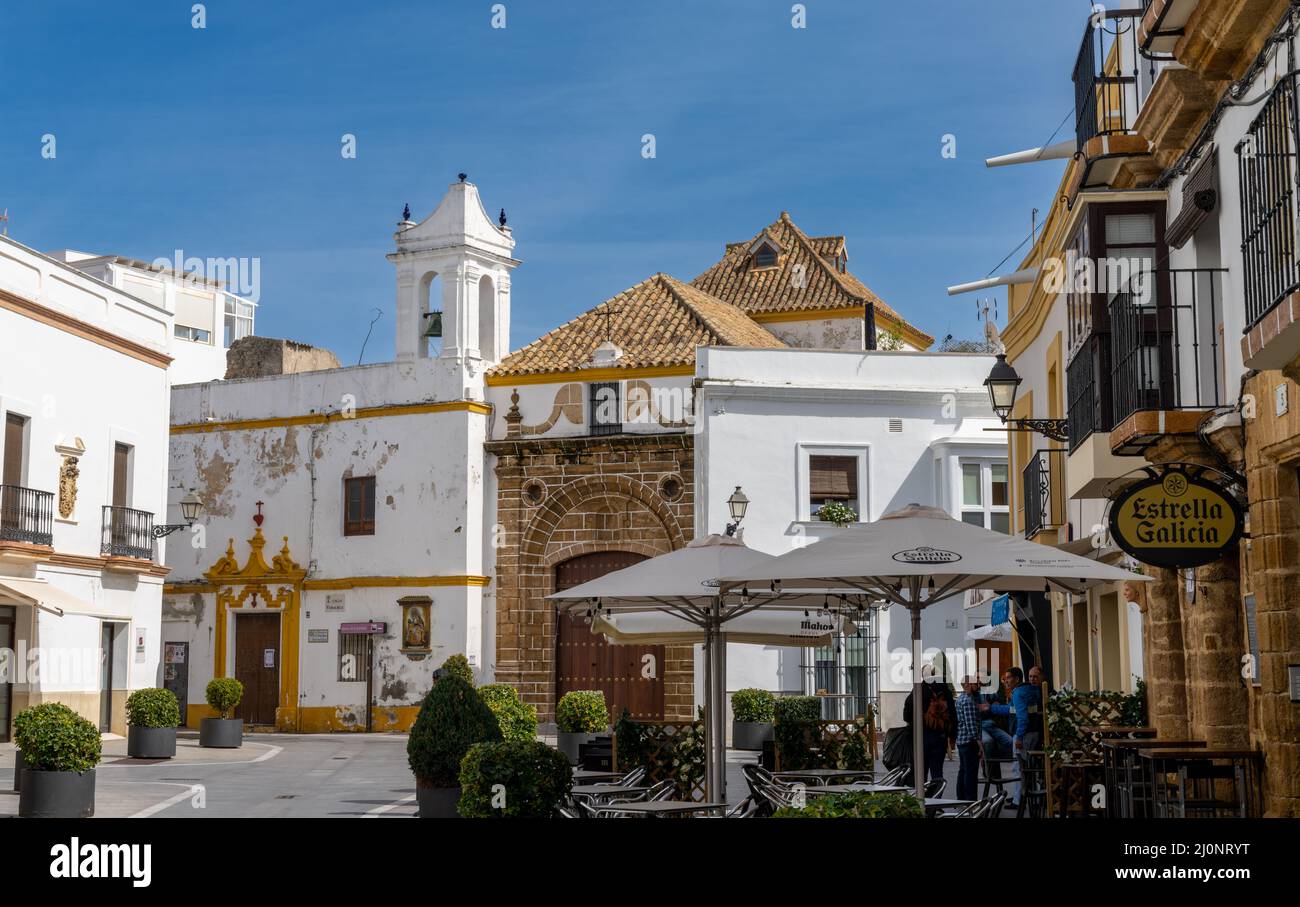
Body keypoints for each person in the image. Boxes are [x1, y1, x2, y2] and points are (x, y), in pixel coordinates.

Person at [903, 668, 957, 784]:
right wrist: (952, 737)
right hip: (941, 736)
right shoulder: (945, 690)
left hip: (922, 736)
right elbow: (953, 714)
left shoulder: (919, 690)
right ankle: (936, 798)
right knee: (937, 773)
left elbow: (906, 714)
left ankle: (922, 800)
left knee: (921, 773)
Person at [955, 676, 983, 801]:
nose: (977, 685)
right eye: (975, 683)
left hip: (962, 740)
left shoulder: (960, 699)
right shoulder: (968, 701)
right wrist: (979, 743)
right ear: (967, 685)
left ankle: (961, 797)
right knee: (971, 773)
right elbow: (971, 724)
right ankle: (970, 800)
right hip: (969, 741)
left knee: (963, 770)